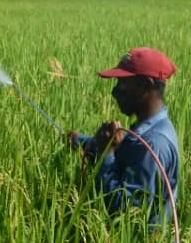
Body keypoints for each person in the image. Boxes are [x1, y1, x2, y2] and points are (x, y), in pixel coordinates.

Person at [68, 47, 180, 228]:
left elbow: (127, 213)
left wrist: (106, 156)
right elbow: (124, 153)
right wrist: (81, 141)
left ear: (145, 86)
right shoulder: (147, 130)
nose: (115, 92)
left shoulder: (152, 144)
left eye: (122, 83)